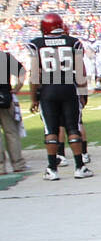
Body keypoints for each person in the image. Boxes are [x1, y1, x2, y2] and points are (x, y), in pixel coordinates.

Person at [27, 12, 93, 181]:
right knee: (73, 128)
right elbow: (80, 72)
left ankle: (52, 169)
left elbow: (34, 75)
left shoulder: (37, 44)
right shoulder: (73, 42)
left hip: (48, 89)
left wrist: (34, 97)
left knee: (51, 130)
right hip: (68, 87)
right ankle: (80, 167)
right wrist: (83, 93)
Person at [0, 47, 28, 175]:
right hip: (5, 96)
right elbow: (22, 72)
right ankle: (17, 163)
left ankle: (1, 167)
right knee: (11, 132)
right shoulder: (5, 57)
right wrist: (17, 88)